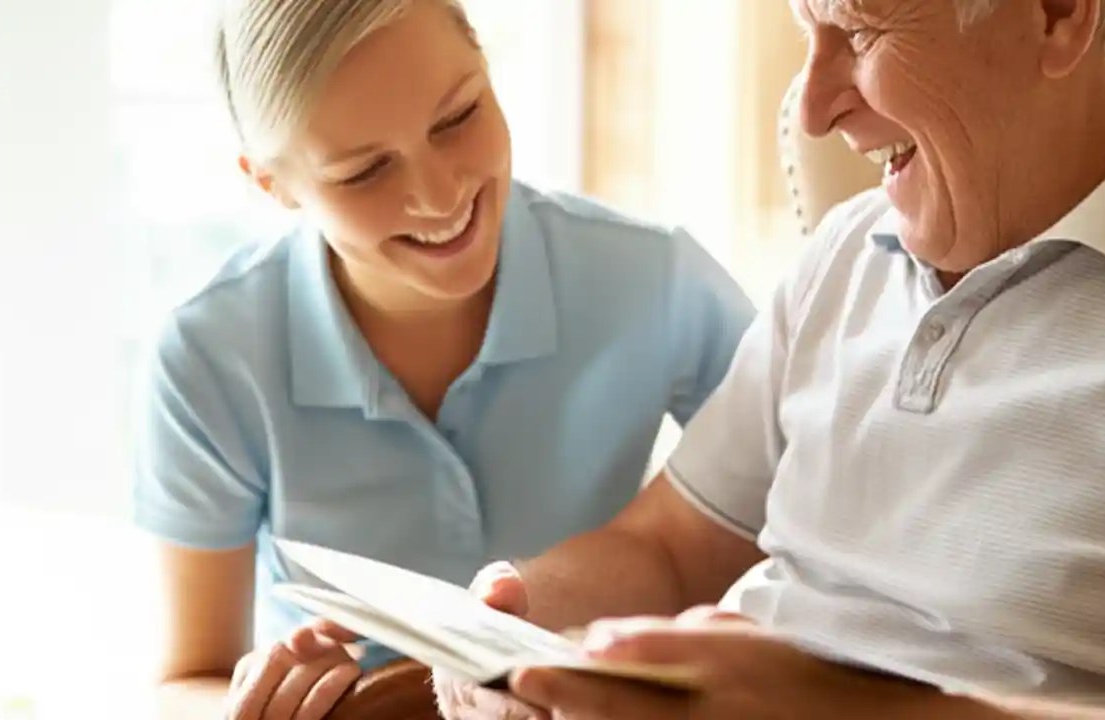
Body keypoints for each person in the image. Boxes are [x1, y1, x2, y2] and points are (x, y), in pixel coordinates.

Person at [426, 0, 1105, 717]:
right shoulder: (851, 247)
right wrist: (519, 615)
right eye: (810, 33)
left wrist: (851, 709)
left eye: (858, 31)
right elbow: (668, 548)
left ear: (1055, 12)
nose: (812, 110)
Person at [131, 1, 755, 718]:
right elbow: (185, 681)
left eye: (457, 118)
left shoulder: (656, 278)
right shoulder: (210, 357)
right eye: (365, 171)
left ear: (485, 63)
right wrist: (256, 705)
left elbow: (805, 526)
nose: (440, 195)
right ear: (274, 186)